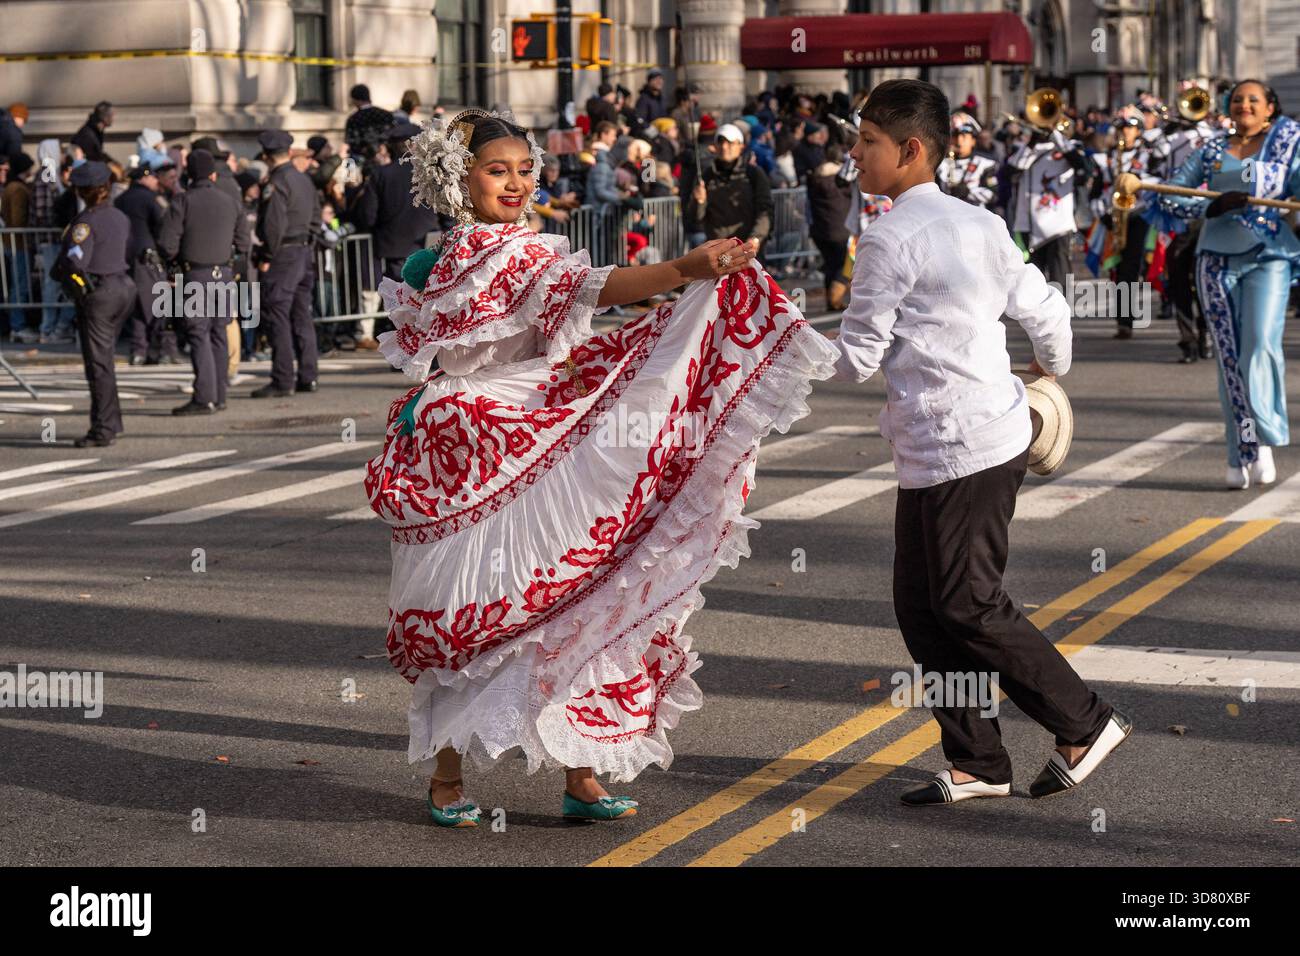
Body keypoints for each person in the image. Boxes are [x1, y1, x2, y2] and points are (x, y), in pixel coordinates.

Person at [363, 107, 840, 826]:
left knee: (577, 596)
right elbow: (594, 287)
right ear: (461, 180)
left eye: (526, 170)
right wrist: (683, 270)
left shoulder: (508, 248)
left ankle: (579, 776)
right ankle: (447, 776)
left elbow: (575, 299)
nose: (518, 183)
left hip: (525, 428)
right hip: (476, 439)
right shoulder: (491, 253)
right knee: (479, 605)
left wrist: (683, 286)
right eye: (499, 171)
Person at [831, 79, 1130, 806]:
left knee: (966, 602)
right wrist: (1051, 366)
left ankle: (1085, 723)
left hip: (964, 441)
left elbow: (856, 357)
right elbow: (1045, 306)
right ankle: (978, 761)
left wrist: (763, 344)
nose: (855, 154)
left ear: (909, 151)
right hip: (952, 440)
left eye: (867, 142)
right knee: (922, 605)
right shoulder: (982, 222)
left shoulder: (889, 235)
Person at [1147, 79, 1299, 489]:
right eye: (1237, 100)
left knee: (1259, 347)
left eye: (1254, 99)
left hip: (1269, 257)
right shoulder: (1212, 149)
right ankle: (1240, 453)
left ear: (1270, 108)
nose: (1244, 105)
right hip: (1215, 261)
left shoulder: (1289, 142)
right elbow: (1170, 196)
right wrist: (1210, 203)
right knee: (1229, 359)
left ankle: (1263, 437)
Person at [157, 149, 251, 414]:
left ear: (189, 175)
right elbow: (244, 242)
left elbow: (167, 243)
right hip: (224, 273)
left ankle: (204, 397)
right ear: (212, 174)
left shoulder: (182, 201)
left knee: (199, 334)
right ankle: (219, 394)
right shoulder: (230, 201)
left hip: (196, 273)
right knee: (218, 333)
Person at [51, 161, 135, 447]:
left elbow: (76, 262)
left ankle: (103, 428)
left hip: (100, 293)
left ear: (81, 191)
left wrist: (73, 284)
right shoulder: (119, 216)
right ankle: (112, 421)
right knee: (106, 361)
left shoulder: (85, 222)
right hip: (123, 286)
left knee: (98, 365)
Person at [351, 121, 440, 350]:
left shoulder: (383, 175)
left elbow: (368, 215)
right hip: (430, 244)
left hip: (394, 246)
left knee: (402, 302)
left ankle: (406, 345)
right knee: (425, 300)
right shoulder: (432, 173)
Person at [251, 129, 321, 398]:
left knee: (277, 314)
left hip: (283, 254)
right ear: (290, 153)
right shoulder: (303, 180)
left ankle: (282, 378)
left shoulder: (277, 182)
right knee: (301, 314)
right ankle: (308, 374)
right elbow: (316, 217)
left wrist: (267, 255)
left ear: (267, 156)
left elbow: (273, 225)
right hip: (303, 251)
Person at [1088, 106, 1166, 339]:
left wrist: (1138, 180)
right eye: (1122, 127)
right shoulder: (1108, 158)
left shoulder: (1148, 155)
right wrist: (1102, 213)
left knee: (1131, 267)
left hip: (1138, 215)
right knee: (1116, 269)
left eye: (1131, 127)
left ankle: (1127, 321)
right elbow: (1095, 191)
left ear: (1139, 130)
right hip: (1113, 217)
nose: (1126, 132)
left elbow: (1160, 179)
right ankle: (1122, 318)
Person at [1006, 113, 1092, 288]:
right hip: (1029, 225)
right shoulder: (1026, 150)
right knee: (1032, 283)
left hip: (1058, 225)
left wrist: (1055, 136)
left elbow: (1082, 166)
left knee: (1059, 280)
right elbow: (1011, 171)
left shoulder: (1071, 147)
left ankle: (1061, 315)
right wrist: (1032, 143)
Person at [114, 164, 178, 365]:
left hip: (126, 259)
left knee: (138, 307)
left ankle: (139, 350)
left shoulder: (120, 200)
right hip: (149, 259)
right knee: (160, 305)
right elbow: (163, 226)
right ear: (143, 179)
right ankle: (164, 349)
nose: (155, 181)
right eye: (152, 178)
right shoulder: (151, 199)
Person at [681, 123, 771, 256]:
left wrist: (756, 239)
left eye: (730, 143)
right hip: (718, 251)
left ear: (741, 146)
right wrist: (698, 202)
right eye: (720, 142)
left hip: (748, 248)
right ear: (714, 147)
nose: (724, 147)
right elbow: (695, 218)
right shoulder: (706, 176)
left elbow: (765, 210)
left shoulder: (754, 174)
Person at [937, 112, 998, 209]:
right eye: (955, 136)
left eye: (964, 136)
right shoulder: (940, 164)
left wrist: (968, 192)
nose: (959, 141)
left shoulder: (985, 163)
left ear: (973, 141)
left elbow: (993, 195)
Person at [344, 84, 394, 169]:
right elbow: (394, 136)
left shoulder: (353, 120)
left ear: (355, 100)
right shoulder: (386, 115)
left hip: (365, 164)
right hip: (388, 160)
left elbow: (352, 144)